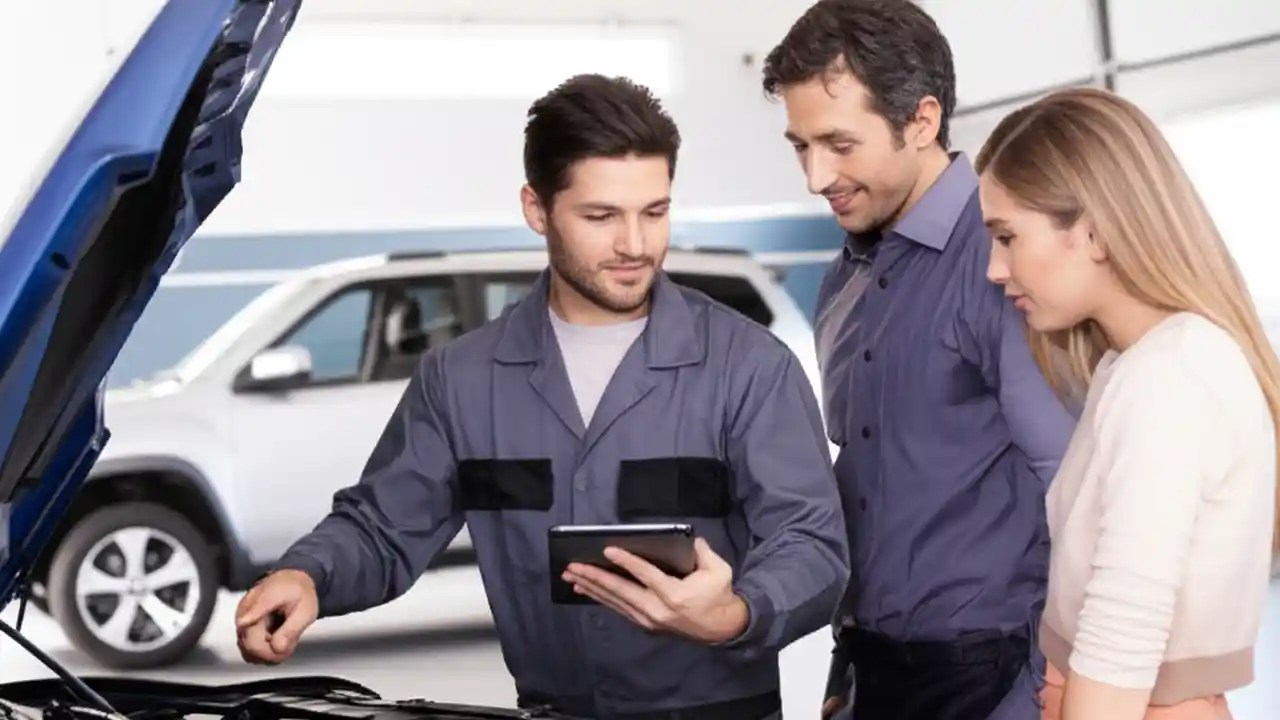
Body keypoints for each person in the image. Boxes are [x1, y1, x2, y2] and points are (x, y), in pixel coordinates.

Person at [233, 73, 850, 720]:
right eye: (601, 216)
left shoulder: (748, 368)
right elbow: (383, 527)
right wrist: (308, 576)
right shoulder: (462, 380)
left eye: (654, 212)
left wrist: (736, 613)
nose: (635, 244)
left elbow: (812, 544)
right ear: (536, 209)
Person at [760, 1, 1077, 718]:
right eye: (800, 146)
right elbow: (864, 482)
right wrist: (846, 669)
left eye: (839, 143)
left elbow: (1074, 489)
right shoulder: (843, 280)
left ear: (923, 120)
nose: (816, 176)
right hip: (874, 668)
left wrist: (1038, 694)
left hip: (991, 674)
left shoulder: (1003, 261)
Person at [977, 86, 1280, 720]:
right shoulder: (1134, 365)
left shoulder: (1173, 375)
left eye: (1007, 236)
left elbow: (1122, 636)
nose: (995, 269)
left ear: (1093, 231)